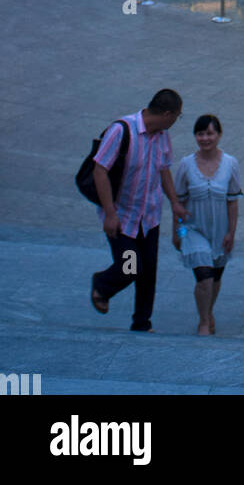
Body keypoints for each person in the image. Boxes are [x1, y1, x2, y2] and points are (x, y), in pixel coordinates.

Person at [90, 89, 186, 332]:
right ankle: (101, 284)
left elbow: (163, 169)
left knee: (148, 273)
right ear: (167, 114)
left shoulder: (162, 136)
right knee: (131, 267)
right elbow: (99, 170)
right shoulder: (122, 130)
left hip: (149, 217)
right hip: (122, 218)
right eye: (177, 116)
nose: (176, 121)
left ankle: (142, 323)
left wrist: (174, 202)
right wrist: (110, 213)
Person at [173, 114, 242, 336]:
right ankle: (203, 320)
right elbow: (179, 202)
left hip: (220, 231)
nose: (205, 138)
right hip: (194, 230)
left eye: (209, 133)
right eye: (200, 134)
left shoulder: (230, 163)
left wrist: (231, 232)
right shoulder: (186, 165)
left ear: (219, 135)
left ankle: (209, 311)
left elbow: (232, 202)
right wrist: (178, 232)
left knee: (216, 277)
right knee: (204, 279)